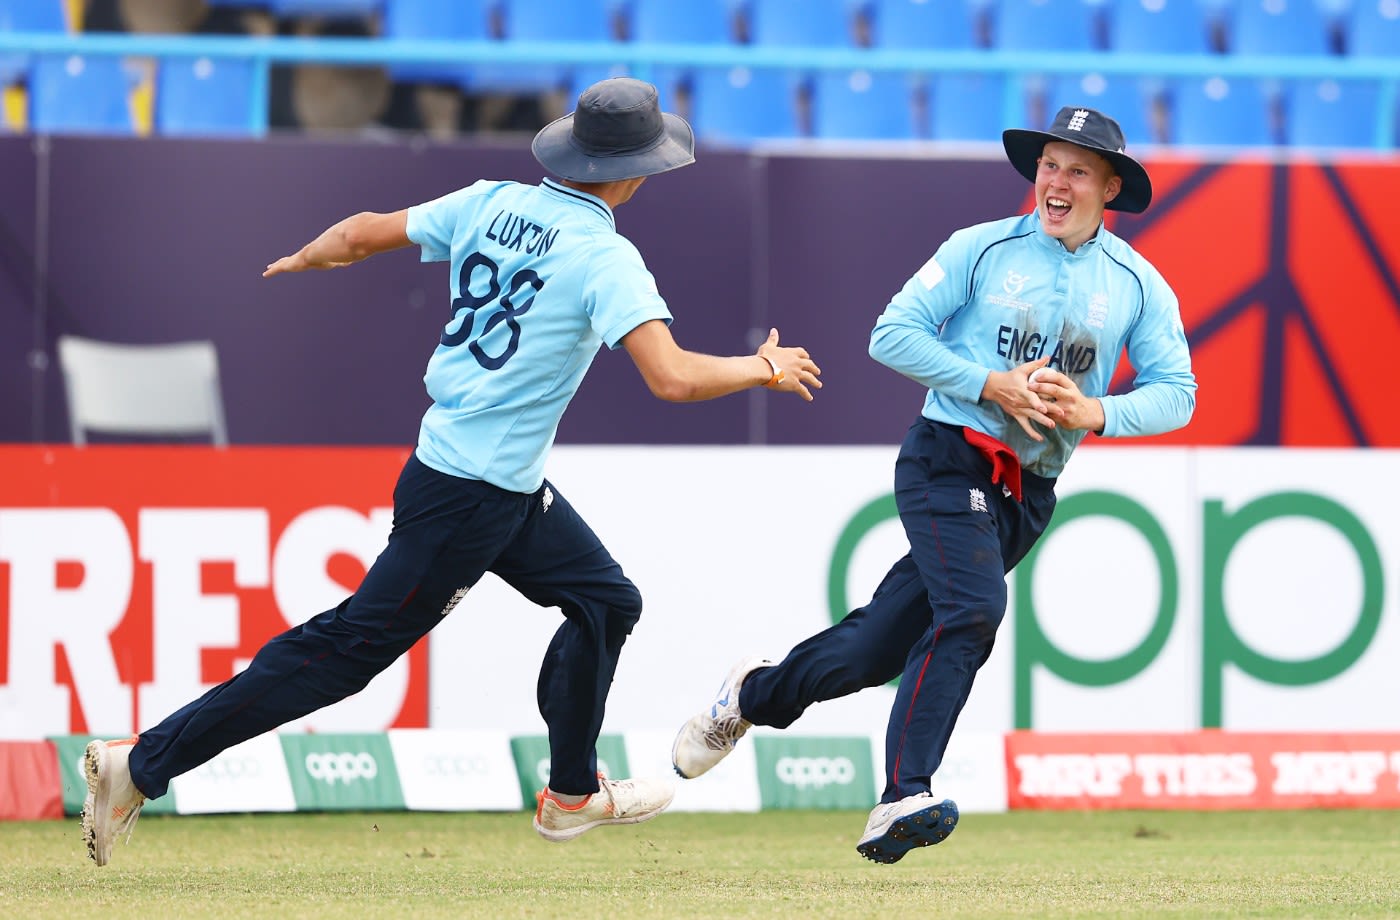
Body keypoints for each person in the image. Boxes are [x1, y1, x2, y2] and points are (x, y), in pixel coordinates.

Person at [80, 77, 822, 867]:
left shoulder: (489, 201)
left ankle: (571, 795)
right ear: (637, 174)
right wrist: (761, 367)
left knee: (605, 601)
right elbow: (671, 378)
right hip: (468, 501)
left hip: (486, 482)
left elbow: (363, 233)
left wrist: (307, 256)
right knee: (343, 653)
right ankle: (143, 765)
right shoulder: (608, 257)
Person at [671, 105, 1196, 864]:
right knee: (976, 607)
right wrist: (990, 384)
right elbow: (892, 334)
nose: (1057, 182)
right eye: (1049, 165)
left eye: (1078, 171)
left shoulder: (1138, 285)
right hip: (947, 457)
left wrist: (1097, 410)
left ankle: (749, 696)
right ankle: (901, 795)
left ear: (1109, 187)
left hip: (1029, 490)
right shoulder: (980, 250)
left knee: (875, 652)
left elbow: (1177, 390)